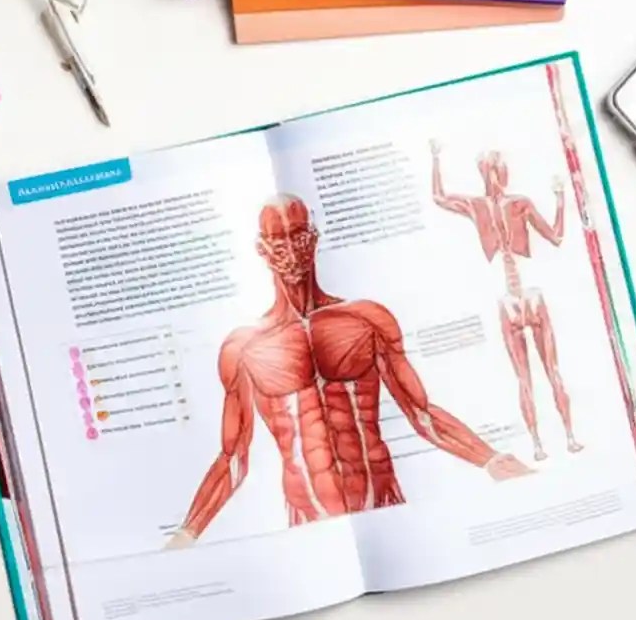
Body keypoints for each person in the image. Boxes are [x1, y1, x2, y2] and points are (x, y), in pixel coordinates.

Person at [166, 194, 532, 548]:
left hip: (383, 503)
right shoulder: (243, 347)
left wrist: (491, 460)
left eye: (297, 235)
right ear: (262, 249)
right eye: (278, 240)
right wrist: (186, 535)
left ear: (313, 238)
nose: (290, 249)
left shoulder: (366, 319)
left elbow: (422, 414)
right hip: (310, 522)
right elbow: (233, 457)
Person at [431, 140, 582, 461]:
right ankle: (567, 438)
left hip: (509, 301)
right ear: (501, 171)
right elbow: (556, 237)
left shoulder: (478, 206)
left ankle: (541, 445)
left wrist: (436, 157)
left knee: (526, 377)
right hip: (529, 295)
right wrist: (560, 198)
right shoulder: (517, 203)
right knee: (549, 370)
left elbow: (439, 197)